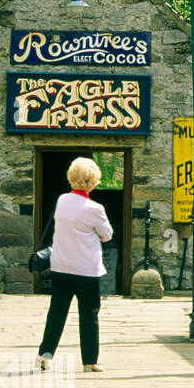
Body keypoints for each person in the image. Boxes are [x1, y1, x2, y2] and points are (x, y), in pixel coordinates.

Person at [37, 157, 112, 372]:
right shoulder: (95, 208)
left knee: (57, 312)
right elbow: (107, 235)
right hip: (86, 269)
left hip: (61, 265)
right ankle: (89, 361)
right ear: (92, 182)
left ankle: (44, 355)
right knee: (88, 314)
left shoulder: (61, 200)